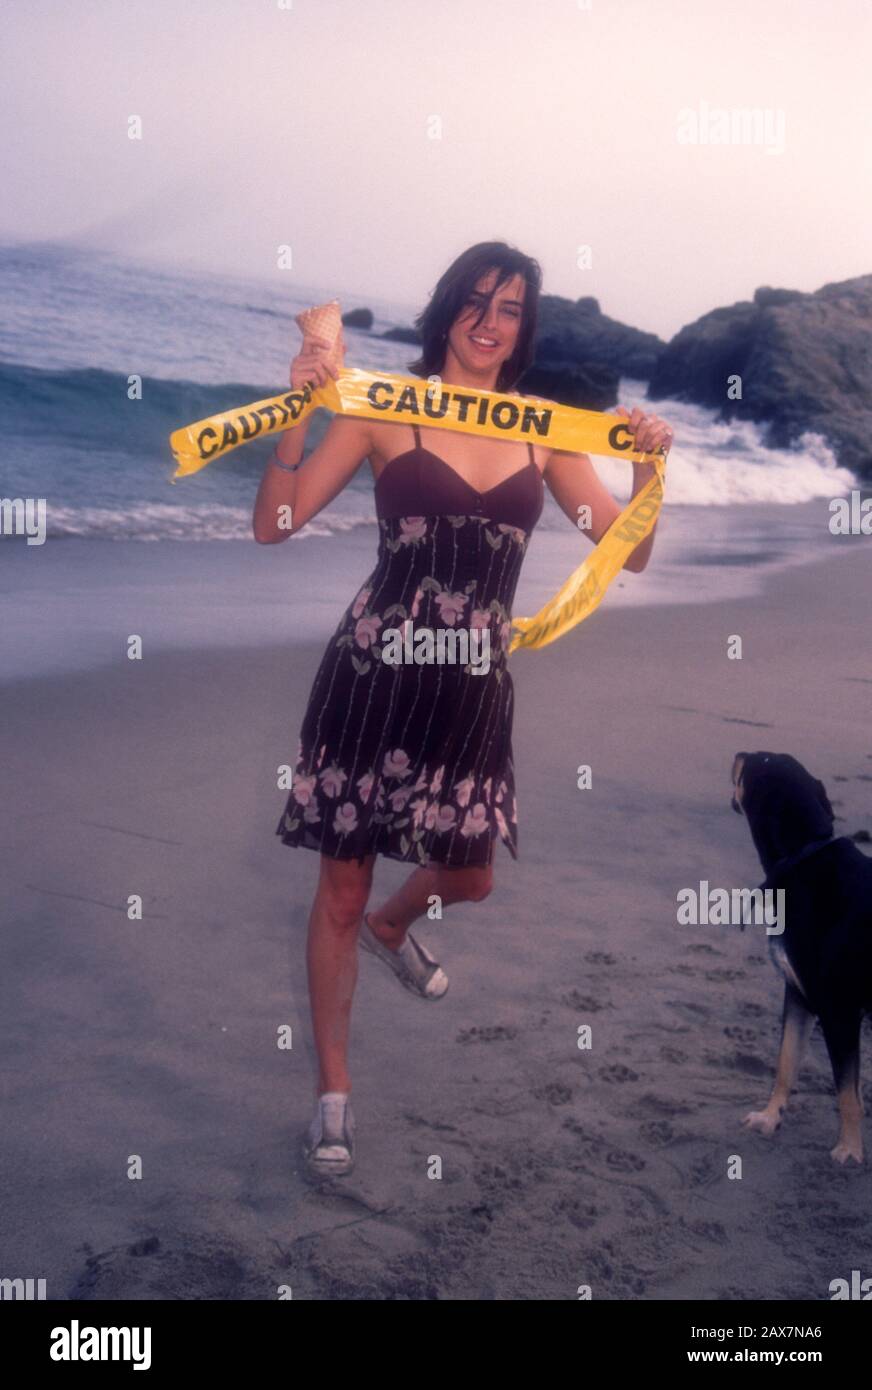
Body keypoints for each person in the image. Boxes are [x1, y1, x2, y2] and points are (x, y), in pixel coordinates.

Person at [252, 241, 673, 1174]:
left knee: (473, 876)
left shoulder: (542, 430)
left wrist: (648, 469)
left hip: (474, 684)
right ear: (447, 311)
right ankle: (333, 1098)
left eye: (511, 307)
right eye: (476, 301)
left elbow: (628, 553)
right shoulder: (382, 412)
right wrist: (300, 410)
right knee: (341, 887)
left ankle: (397, 927)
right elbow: (274, 526)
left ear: (525, 327)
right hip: (375, 670)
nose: (490, 320)